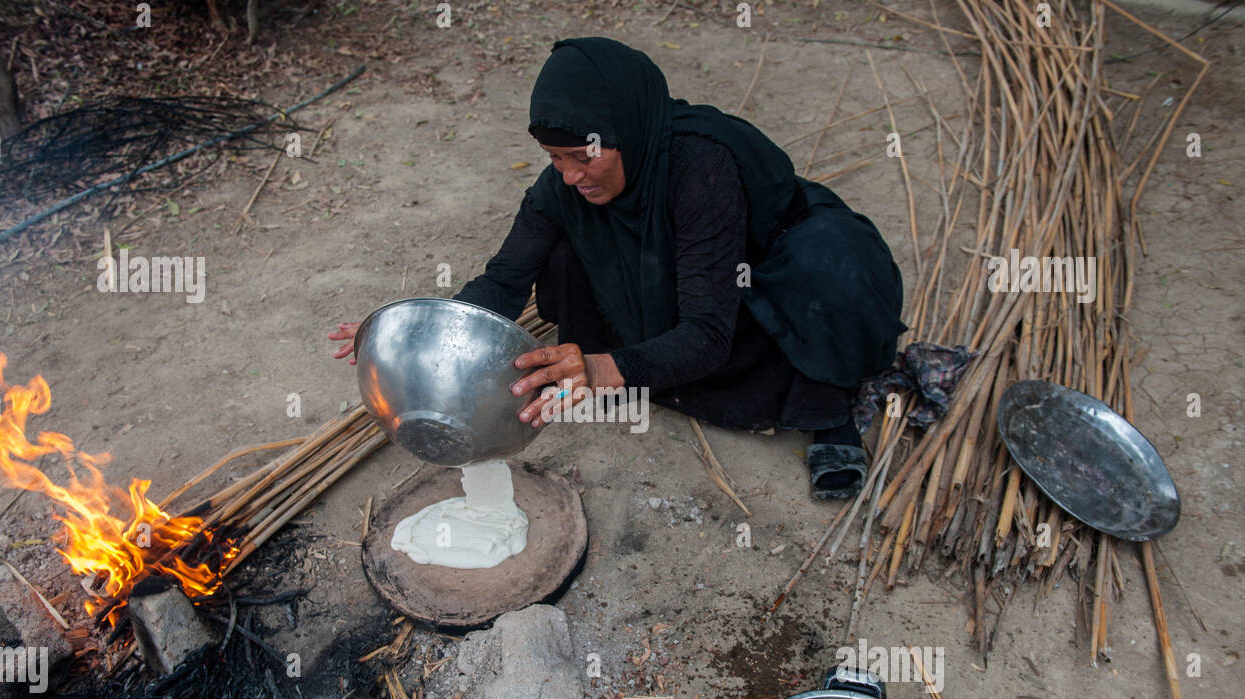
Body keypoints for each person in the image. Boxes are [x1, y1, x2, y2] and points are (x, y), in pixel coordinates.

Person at [331, 37, 905, 499]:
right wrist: (417, 337)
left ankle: (827, 410)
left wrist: (602, 370)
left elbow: (708, 333)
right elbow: (504, 281)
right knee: (563, 253)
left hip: (757, 276)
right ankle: (643, 360)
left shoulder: (701, 170)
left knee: (831, 280)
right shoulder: (564, 182)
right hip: (664, 273)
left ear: (628, 132)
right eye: (555, 159)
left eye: (584, 156)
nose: (570, 174)